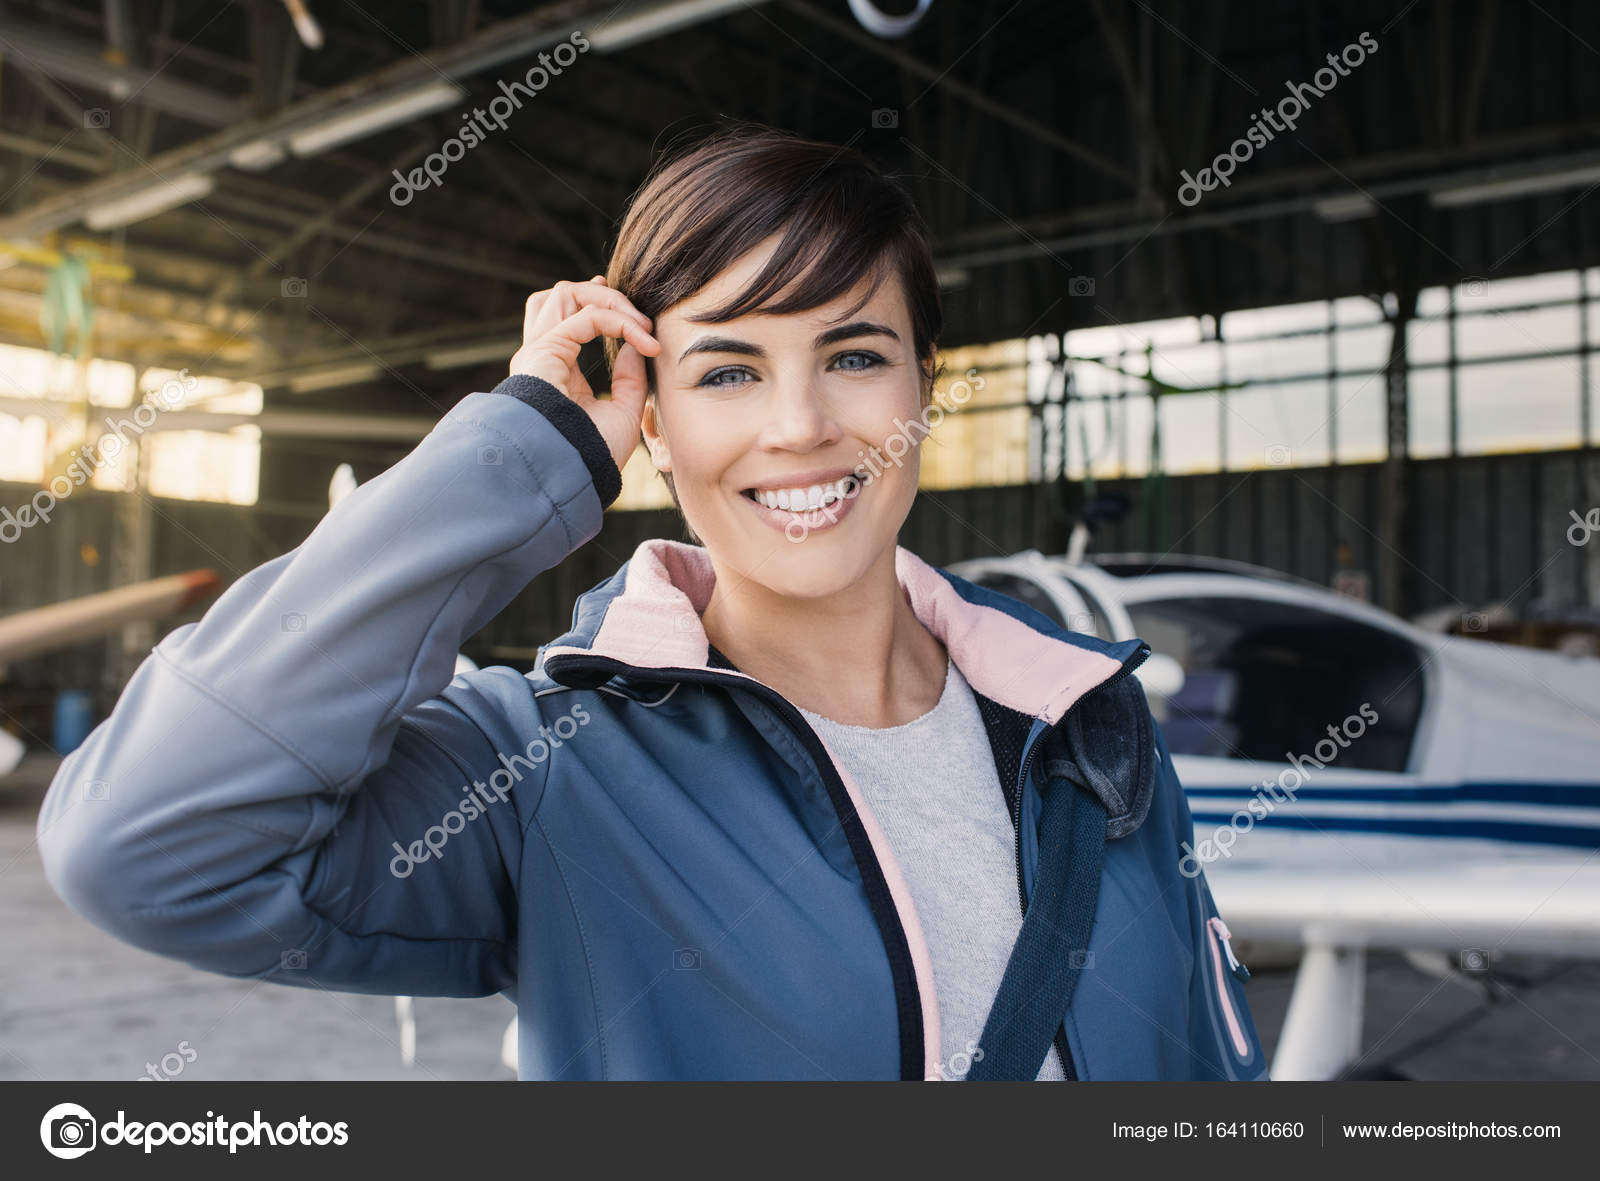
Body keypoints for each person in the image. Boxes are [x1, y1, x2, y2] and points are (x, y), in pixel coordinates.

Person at [36, 124, 1267, 1081]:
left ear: (921, 390)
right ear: (653, 427)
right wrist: (524, 453)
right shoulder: (543, 769)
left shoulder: (1087, 720)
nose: (800, 427)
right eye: (727, 370)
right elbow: (141, 842)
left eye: (853, 354)